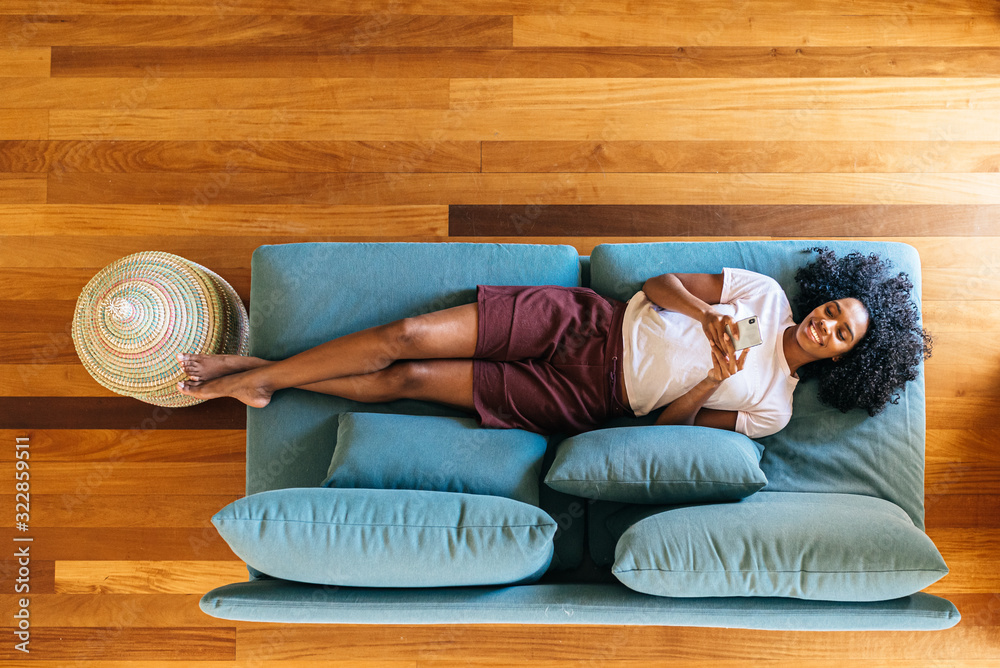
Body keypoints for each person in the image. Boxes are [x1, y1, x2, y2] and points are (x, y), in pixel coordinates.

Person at [176, 247, 931, 438]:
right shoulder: (762, 296)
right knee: (406, 335)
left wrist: (709, 380)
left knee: (410, 379)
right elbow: (661, 282)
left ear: (842, 357)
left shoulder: (773, 408)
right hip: (586, 322)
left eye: (840, 331)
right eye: (833, 307)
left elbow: (667, 432)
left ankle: (262, 378)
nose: (825, 321)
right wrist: (707, 321)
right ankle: (258, 373)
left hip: (587, 397)